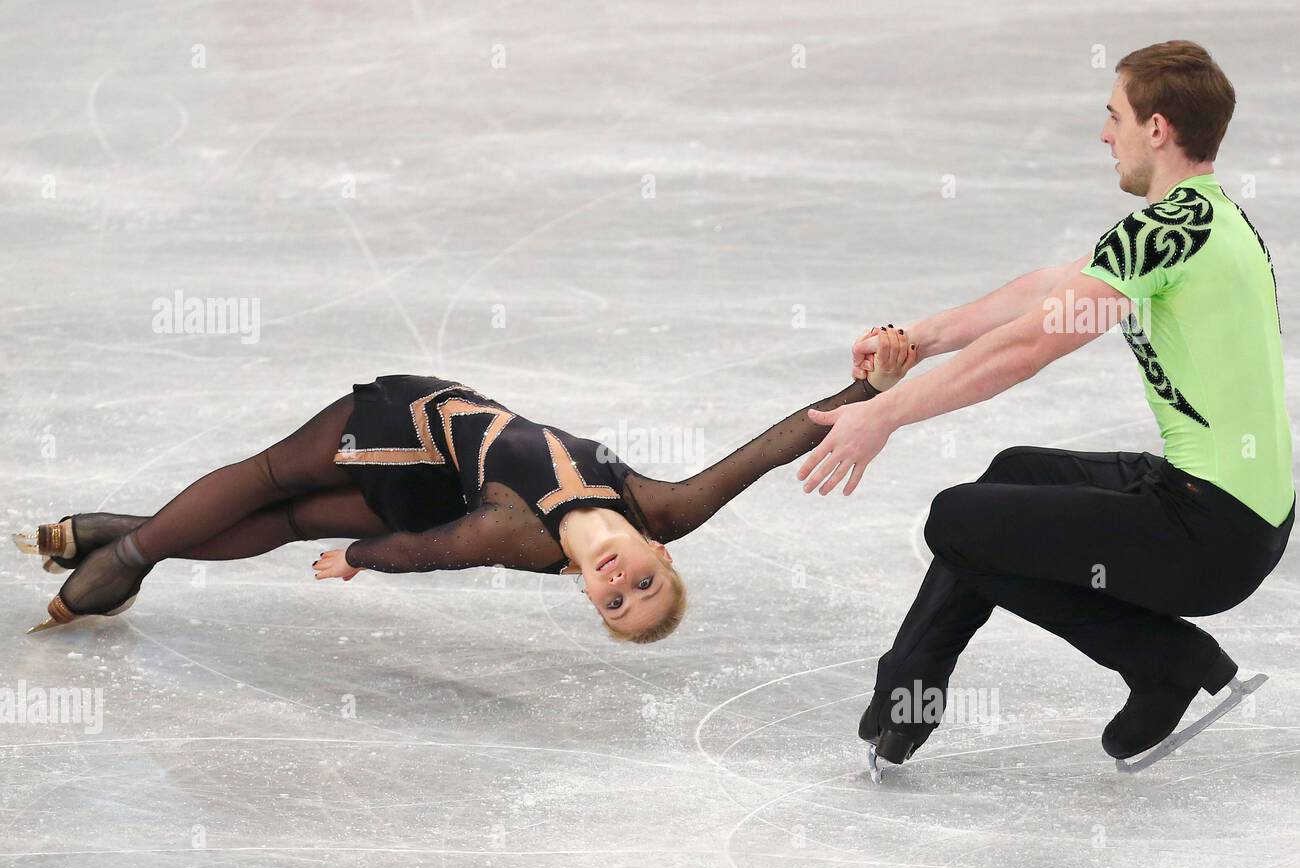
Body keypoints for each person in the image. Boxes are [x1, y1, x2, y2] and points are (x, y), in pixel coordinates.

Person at [799, 40, 1293, 767]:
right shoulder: (1204, 220)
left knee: (959, 520)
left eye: (1114, 114)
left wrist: (884, 415)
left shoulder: (1164, 234)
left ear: (1157, 128)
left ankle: (1170, 662)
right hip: (1238, 509)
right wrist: (917, 339)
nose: (1104, 134)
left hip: (1212, 532)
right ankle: (907, 701)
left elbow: (1028, 346)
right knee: (1011, 475)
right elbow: (1048, 291)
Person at [16, 331, 918, 643]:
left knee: (269, 481)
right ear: (659, 552)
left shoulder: (519, 539)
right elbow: (763, 453)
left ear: (587, 594)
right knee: (280, 517)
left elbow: (427, 554)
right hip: (434, 481)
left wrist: (360, 558)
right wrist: (868, 392)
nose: (621, 581)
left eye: (614, 605)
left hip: (402, 435)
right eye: (645, 583)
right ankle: (111, 533)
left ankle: (126, 556)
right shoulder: (665, 505)